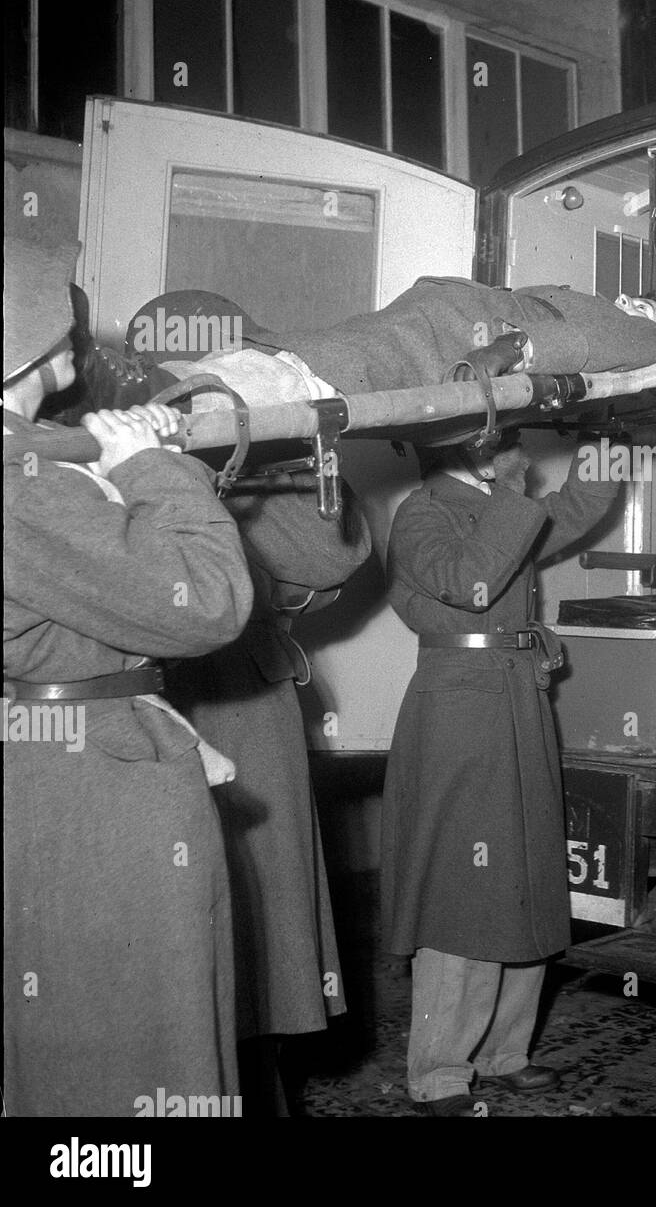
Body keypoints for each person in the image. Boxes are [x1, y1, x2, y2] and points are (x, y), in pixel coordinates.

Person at [2, 238, 255, 1116]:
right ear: (37, 346)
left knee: (73, 1038)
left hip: (58, 757)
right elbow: (208, 605)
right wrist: (153, 469)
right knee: (135, 1045)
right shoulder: (25, 483)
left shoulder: (33, 464)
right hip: (93, 792)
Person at [379, 429, 622, 1116]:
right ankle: (439, 1070)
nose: (520, 448)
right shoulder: (424, 510)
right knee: (463, 885)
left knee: (523, 872)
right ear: (472, 451)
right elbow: (470, 582)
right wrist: (511, 496)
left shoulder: (495, 505)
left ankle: (501, 1053)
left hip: (516, 691)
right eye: (506, 437)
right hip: (460, 699)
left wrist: (610, 441)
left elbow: (573, 509)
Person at [163, 468, 373, 1115]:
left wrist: (279, 456)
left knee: (265, 930)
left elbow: (330, 556)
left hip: (248, 711)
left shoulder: (241, 474)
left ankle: (261, 1091)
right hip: (149, 714)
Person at [121, 279, 656, 410]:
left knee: (343, 360)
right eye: (637, 301)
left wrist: (517, 347)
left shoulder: (647, 337)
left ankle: (178, 391)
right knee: (351, 347)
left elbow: (638, 342)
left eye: (646, 307)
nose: (631, 303)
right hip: (454, 316)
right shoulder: (586, 299)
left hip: (469, 332)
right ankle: (182, 380)